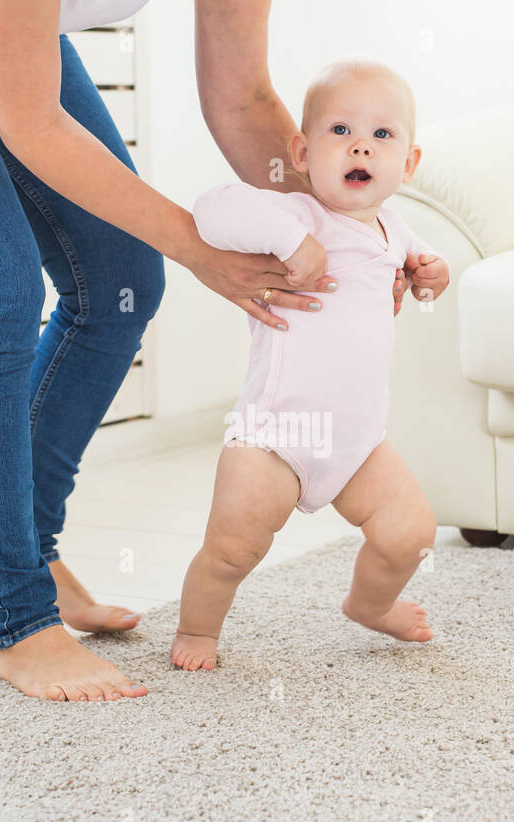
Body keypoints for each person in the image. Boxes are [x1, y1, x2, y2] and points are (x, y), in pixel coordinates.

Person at [0, 0, 419, 701]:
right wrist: (198, 248)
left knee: (121, 281)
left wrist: (346, 243)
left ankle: (33, 553)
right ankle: (18, 620)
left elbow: (244, 96)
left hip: (9, 28)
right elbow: (30, 119)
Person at [172, 60, 451, 671]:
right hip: (274, 436)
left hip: (357, 442)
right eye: (340, 130)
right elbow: (213, 208)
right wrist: (292, 243)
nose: (360, 145)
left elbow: (424, 279)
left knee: (411, 533)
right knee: (232, 548)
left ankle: (370, 604)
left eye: (382, 135)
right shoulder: (299, 215)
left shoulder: (397, 227)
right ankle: (197, 630)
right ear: (301, 152)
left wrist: (434, 275)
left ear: (408, 164)